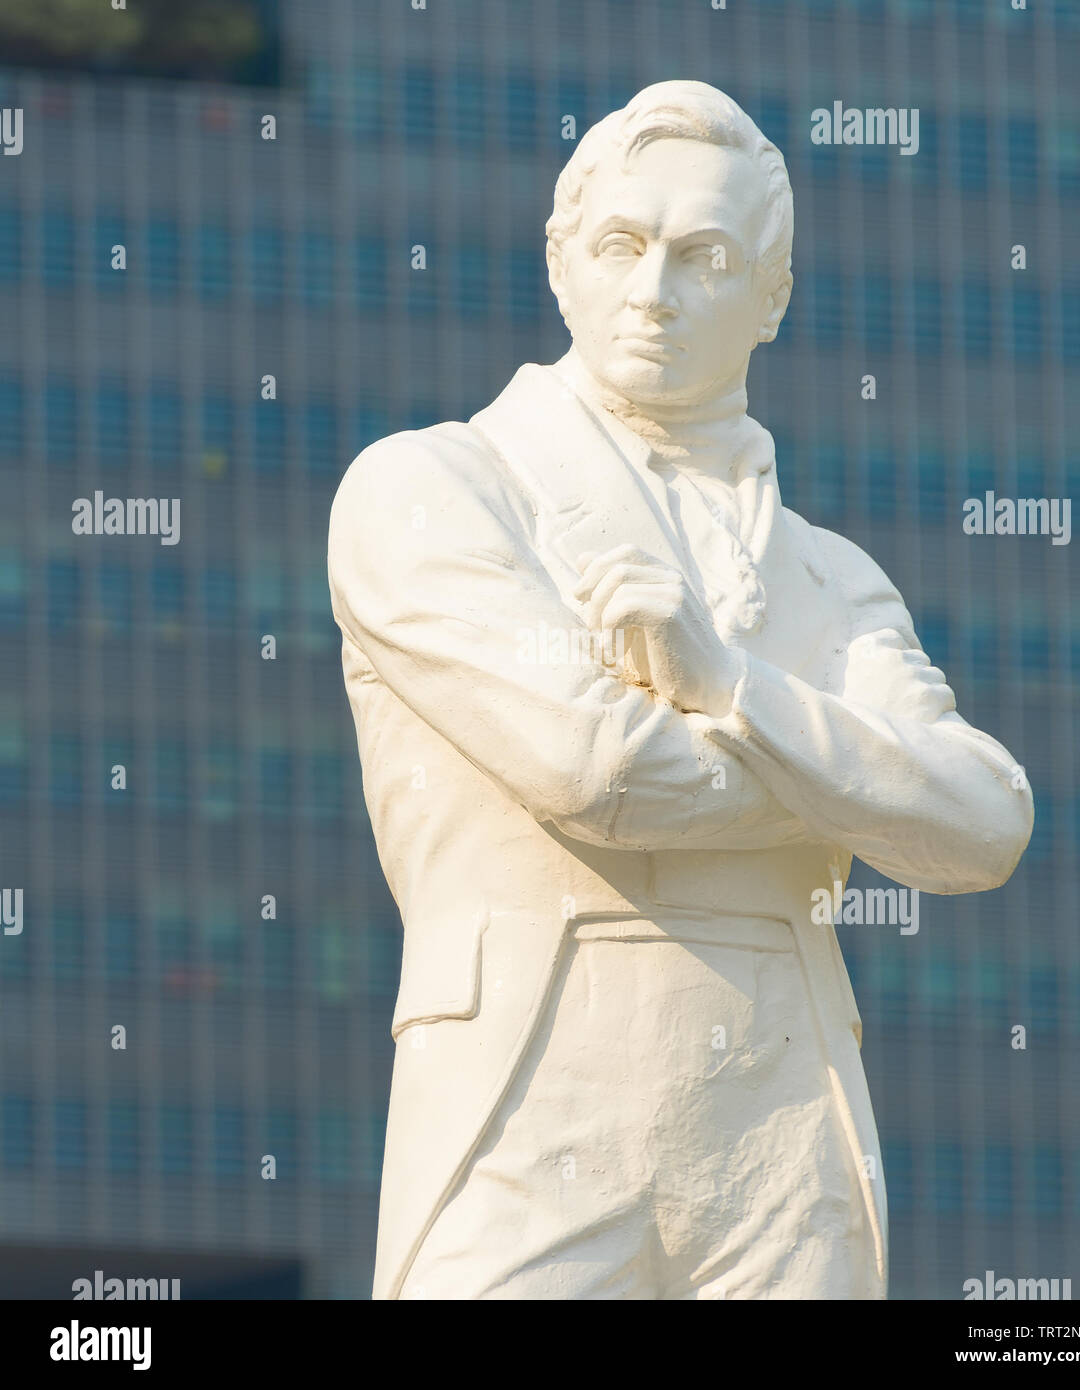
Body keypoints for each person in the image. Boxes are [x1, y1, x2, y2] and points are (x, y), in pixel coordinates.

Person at [327, 80, 1033, 1300]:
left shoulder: (832, 575)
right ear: (561, 263)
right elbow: (597, 772)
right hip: (525, 1104)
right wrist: (850, 785)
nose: (654, 291)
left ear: (773, 298)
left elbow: (984, 819)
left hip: (784, 1128)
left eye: (706, 257)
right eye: (622, 245)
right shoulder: (428, 489)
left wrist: (728, 682)